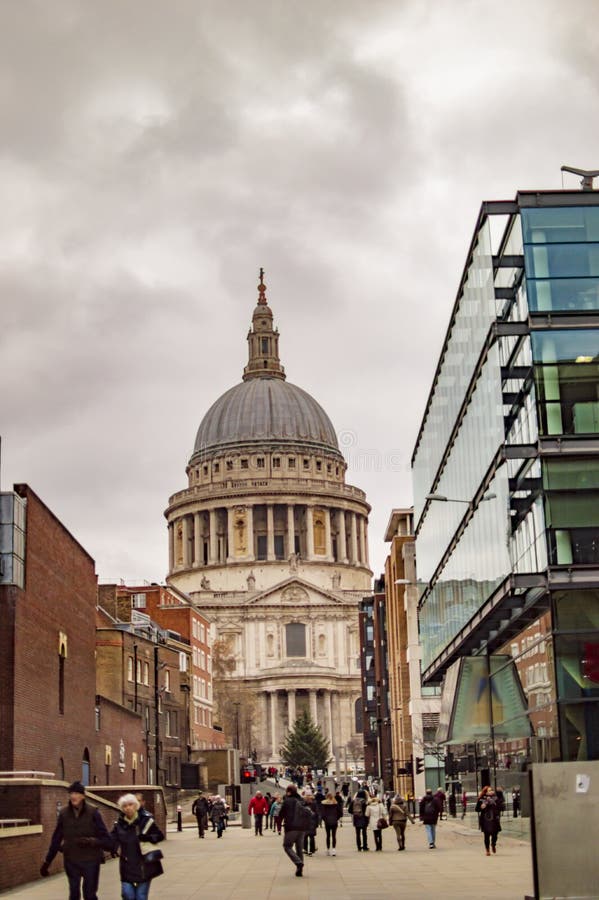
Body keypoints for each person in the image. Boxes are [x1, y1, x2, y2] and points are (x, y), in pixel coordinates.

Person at [40, 781, 113, 900]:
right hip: (72, 860)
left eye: (76, 793)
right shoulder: (64, 814)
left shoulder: (93, 812)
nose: (73, 796)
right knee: (74, 894)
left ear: (83, 796)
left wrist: (92, 841)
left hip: (91, 860)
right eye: (71, 793)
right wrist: (47, 862)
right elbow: (56, 839)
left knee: (89, 894)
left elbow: (106, 839)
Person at [110, 793, 164, 900]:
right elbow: (111, 840)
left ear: (136, 806)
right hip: (127, 866)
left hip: (143, 865)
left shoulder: (146, 820)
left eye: (130, 805)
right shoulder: (119, 825)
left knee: (140, 896)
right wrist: (112, 848)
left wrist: (147, 837)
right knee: (128, 895)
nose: (128, 808)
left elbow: (159, 836)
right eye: (125, 806)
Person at [279, 784, 307, 877]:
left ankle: (298, 863)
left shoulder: (287, 801)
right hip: (302, 828)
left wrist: (278, 824)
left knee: (287, 846)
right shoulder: (302, 800)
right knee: (299, 848)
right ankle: (300, 870)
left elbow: (281, 814)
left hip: (291, 827)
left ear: (289, 791)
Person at [475, 787, 502, 855]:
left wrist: (497, 806)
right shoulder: (481, 800)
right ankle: (487, 850)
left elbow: (500, 807)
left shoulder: (496, 799)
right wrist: (481, 807)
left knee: (495, 834)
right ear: (486, 792)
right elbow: (477, 809)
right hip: (485, 819)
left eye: (492, 790)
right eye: (489, 790)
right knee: (486, 835)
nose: (491, 791)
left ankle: (493, 844)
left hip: (494, 819)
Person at [320, 791, 341, 856]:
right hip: (334, 821)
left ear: (326, 797)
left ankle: (328, 850)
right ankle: (334, 850)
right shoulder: (336, 803)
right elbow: (340, 813)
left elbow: (322, 814)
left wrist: (325, 819)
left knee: (328, 835)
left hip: (327, 822)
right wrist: (336, 818)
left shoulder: (323, 804)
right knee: (334, 835)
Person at [302, 792, 318, 856]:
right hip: (312, 822)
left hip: (305, 822)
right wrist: (317, 823)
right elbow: (317, 814)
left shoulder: (303, 804)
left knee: (305, 837)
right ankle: (311, 850)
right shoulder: (314, 804)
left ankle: (305, 849)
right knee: (311, 837)